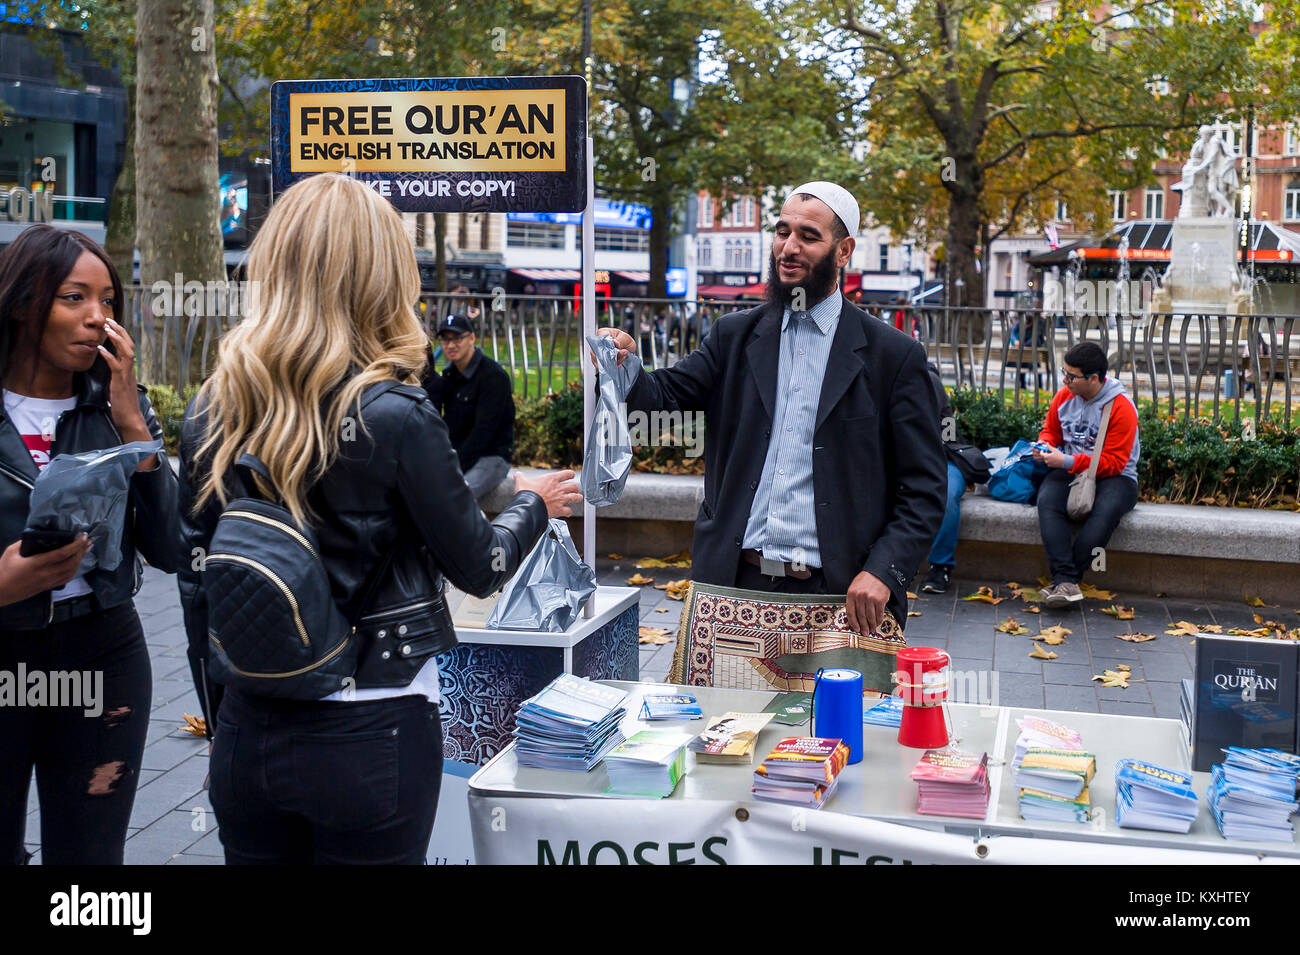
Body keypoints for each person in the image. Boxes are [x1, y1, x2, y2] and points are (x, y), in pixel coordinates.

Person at [177, 173, 581, 865]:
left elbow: (196, 586)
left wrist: (220, 723)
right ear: (383, 278)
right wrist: (534, 504)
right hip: (373, 726)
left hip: (248, 721)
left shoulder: (215, 404)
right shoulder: (396, 411)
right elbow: (480, 565)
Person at [594, 181, 946, 635]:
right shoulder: (734, 336)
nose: (789, 248)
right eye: (782, 232)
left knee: (835, 712)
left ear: (844, 251)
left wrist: (884, 571)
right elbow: (664, 400)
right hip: (733, 590)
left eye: (808, 236)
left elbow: (924, 488)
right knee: (722, 711)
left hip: (841, 598)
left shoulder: (892, 356)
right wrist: (624, 364)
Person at [0, 225, 178, 865]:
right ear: (24, 303)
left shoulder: (115, 410)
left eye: (107, 301)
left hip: (102, 652)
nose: (97, 318)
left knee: (90, 867)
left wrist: (132, 421)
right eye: (74, 297)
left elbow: (172, 546)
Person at [1033, 341, 1140, 609]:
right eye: (1064, 372)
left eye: (1071, 376)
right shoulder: (1064, 397)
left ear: (1094, 379)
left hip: (1117, 476)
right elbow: (1051, 431)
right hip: (1071, 468)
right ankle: (1066, 583)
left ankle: (1065, 579)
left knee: (1105, 513)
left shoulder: (1122, 408)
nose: (1065, 380)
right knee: (1047, 502)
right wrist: (1045, 446)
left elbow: (1114, 462)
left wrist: (1066, 460)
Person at [420, 313, 515, 500]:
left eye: (457, 338)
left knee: (454, 499)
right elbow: (433, 418)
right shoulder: (448, 377)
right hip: (457, 458)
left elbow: (484, 432)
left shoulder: (493, 376)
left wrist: (453, 467)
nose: (450, 345)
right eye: (445, 340)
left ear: (471, 338)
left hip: (490, 458)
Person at [919, 363, 966, 594]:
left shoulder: (928, 380)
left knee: (946, 496)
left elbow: (948, 437)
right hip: (904, 463)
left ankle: (941, 566)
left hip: (943, 459)